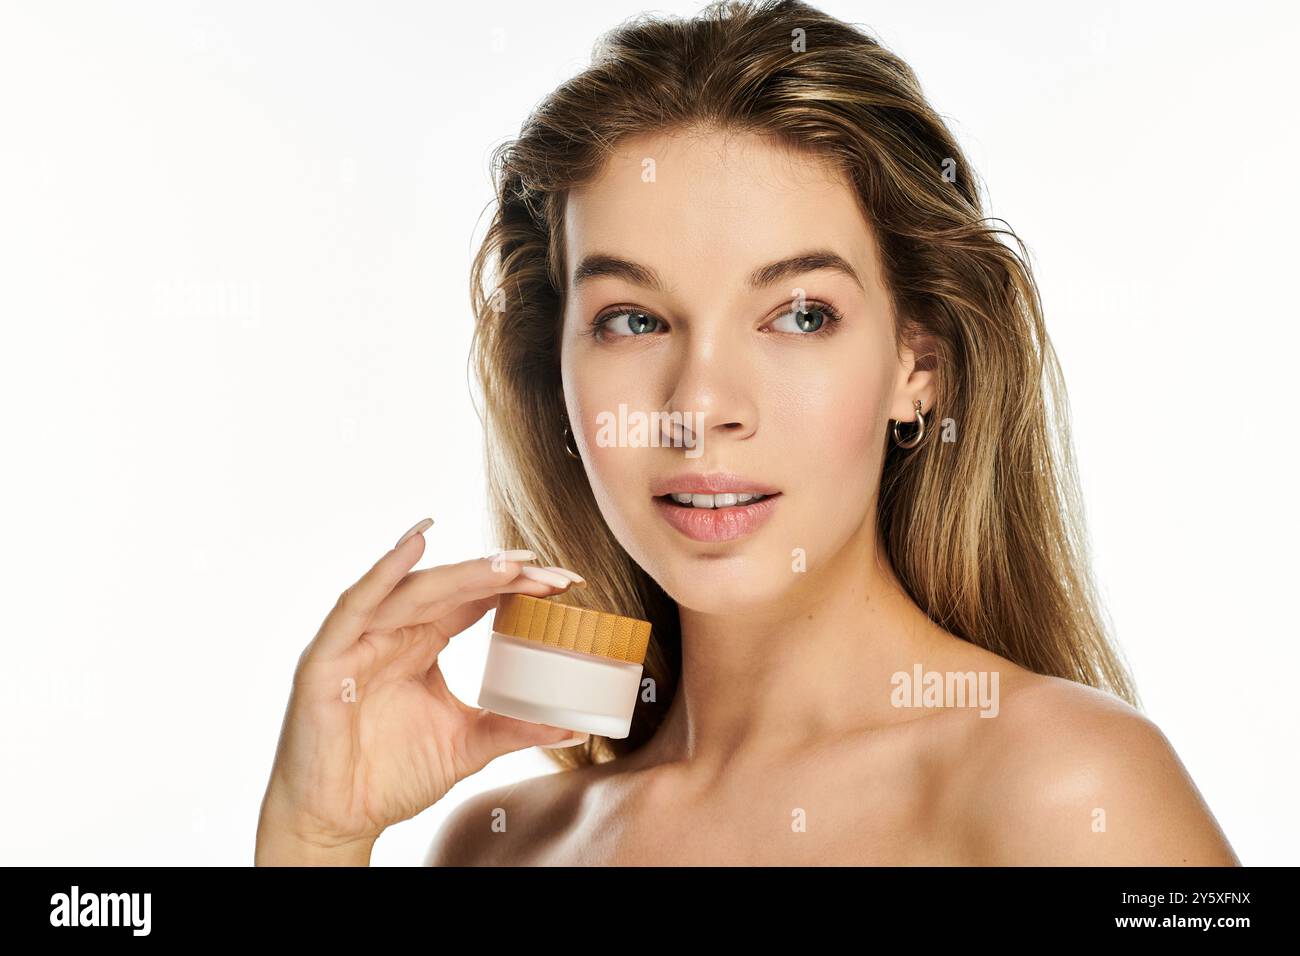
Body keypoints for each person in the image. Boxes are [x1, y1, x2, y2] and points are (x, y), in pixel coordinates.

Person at [256, 0, 1240, 866]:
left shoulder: (1064, 788)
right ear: (554, 374)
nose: (699, 404)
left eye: (799, 314)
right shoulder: (508, 845)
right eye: (634, 319)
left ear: (918, 364)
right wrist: (317, 836)